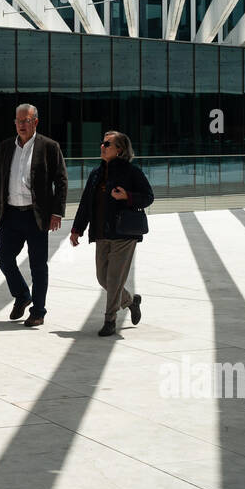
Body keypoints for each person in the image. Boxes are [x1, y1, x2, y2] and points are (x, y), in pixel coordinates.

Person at [69, 130, 154, 337]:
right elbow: (85, 204)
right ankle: (131, 301)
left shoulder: (131, 172)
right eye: (103, 143)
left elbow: (148, 197)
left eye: (107, 144)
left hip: (123, 233)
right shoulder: (96, 174)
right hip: (101, 232)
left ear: (120, 149)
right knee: (102, 277)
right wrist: (77, 229)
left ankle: (110, 319)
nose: (102, 146)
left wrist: (128, 196)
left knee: (114, 278)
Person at [0, 104, 67, 327]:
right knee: (3, 257)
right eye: (19, 121)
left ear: (35, 122)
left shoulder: (49, 147)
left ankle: (38, 311)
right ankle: (22, 295)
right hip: (11, 214)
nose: (22, 125)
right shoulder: (5, 147)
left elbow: (61, 181)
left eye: (27, 120)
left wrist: (56, 212)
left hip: (36, 215)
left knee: (38, 265)